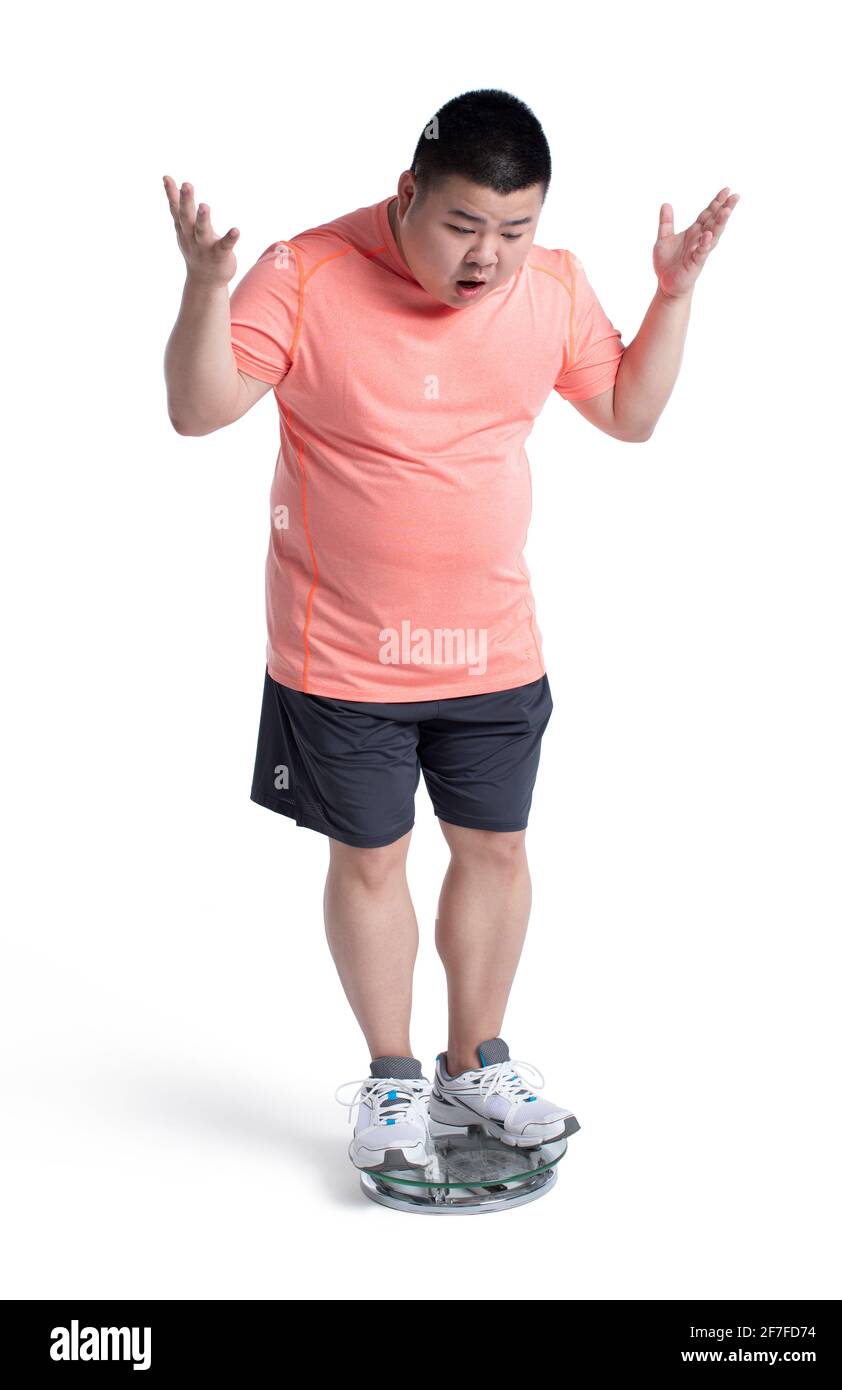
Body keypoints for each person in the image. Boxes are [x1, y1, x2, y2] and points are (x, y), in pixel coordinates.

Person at [163, 88, 738, 1177]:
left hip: (493, 649)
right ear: (406, 195)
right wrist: (203, 291)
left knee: (496, 851)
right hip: (342, 655)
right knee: (373, 861)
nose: (486, 258)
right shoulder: (307, 272)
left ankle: (474, 1061)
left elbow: (628, 413)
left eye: (512, 232)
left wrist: (671, 296)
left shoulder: (552, 285)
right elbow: (199, 408)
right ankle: (389, 1077)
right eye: (462, 227)